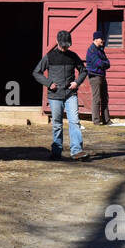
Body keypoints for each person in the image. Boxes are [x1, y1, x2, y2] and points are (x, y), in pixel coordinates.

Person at [33, 30, 86, 160]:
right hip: (55, 96)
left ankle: (77, 151)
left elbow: (83, 70)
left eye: (67, 45)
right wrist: (49, 83)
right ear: (57, 42)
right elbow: (36, 72)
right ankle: (56, 152)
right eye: (63, 45)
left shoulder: (73, 56)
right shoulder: (49, 57)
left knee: (74, 121)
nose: (65, 47)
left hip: (70, 94)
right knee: (57, 124)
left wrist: (77, 82)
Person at [85, 30, 111, 124]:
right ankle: (96, 121)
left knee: (105, 98)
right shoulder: (91, 50)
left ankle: (106, 120)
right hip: (95, 76)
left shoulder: (100, 50)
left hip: (102, 76)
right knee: (96, 98)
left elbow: (108, 64)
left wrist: (104, 63)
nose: (103, 41)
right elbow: (99, 63)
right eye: (101, 39)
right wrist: (104, 63)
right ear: (96, 39)